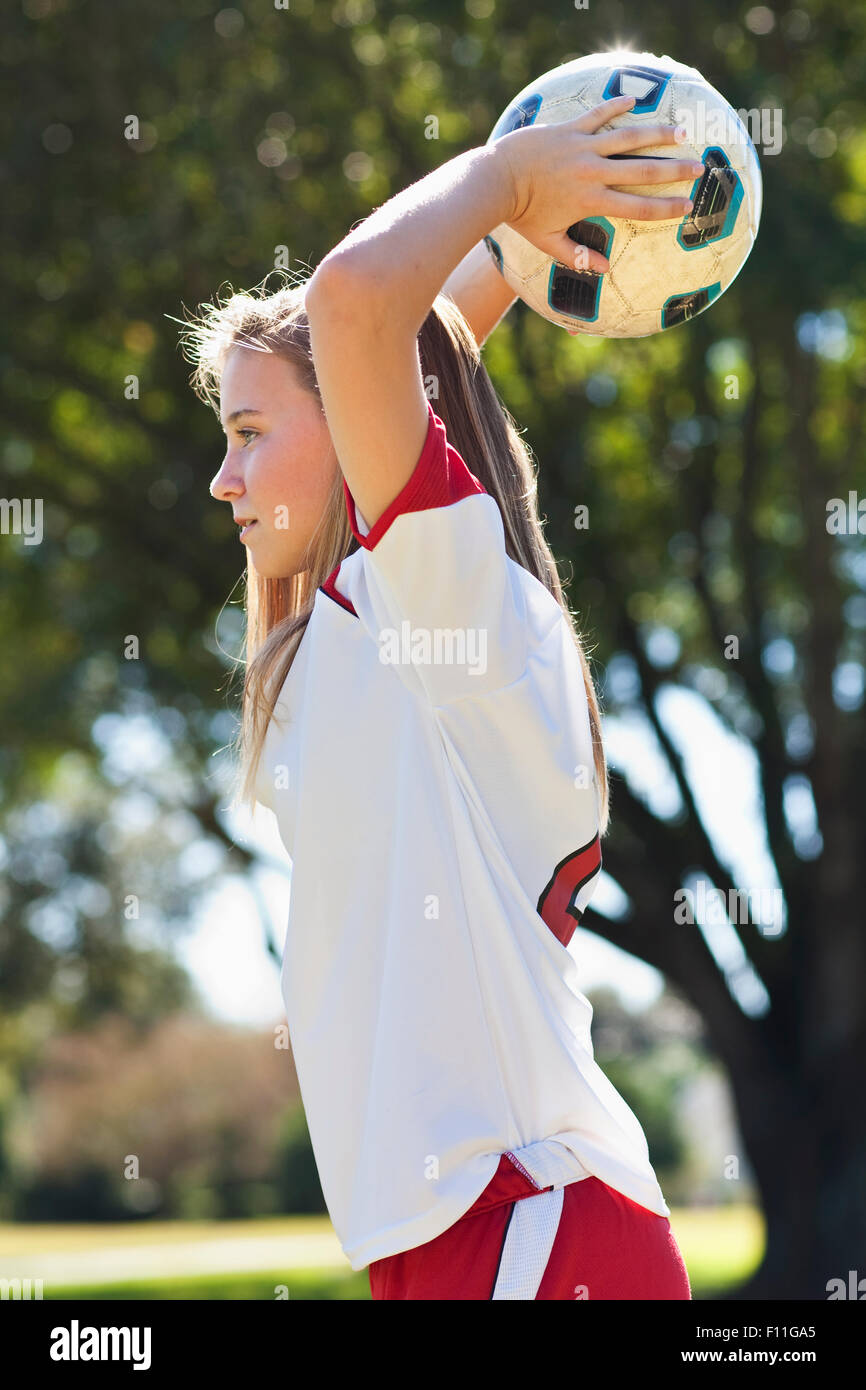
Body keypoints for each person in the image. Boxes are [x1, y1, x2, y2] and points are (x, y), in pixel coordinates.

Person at [181, 94, 700, 1299]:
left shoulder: (443, 605)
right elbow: (407, 331)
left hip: (532, 1227)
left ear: (358, 424)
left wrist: (509, 173)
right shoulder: (366, 620)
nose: (223, 477)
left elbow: (361, 305)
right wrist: (520, 251)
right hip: (462, 1237)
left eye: (249, 432)